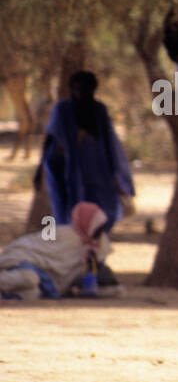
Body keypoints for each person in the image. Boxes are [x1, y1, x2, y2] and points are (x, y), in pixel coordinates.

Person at [36, 71, 133, 293]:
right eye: (78, 89)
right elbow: (51, 140)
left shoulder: (99, 111)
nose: (81, 94)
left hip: (98, 174)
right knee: (71, 221)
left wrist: (120, 181)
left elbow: (111, 145)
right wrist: (39, 171)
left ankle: (94, 268)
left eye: (86, 89)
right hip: (69, 176)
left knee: (99, 220)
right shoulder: (62, 110)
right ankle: (72, 270)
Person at [0, 202, 112, 299]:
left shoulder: (97, 247)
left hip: (46, 284)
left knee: (32, 293)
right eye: (96, 227)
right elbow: (31, 247)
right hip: (25, 263)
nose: (99, 232)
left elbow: (99, 280)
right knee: (29, 278)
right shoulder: (64, 235)